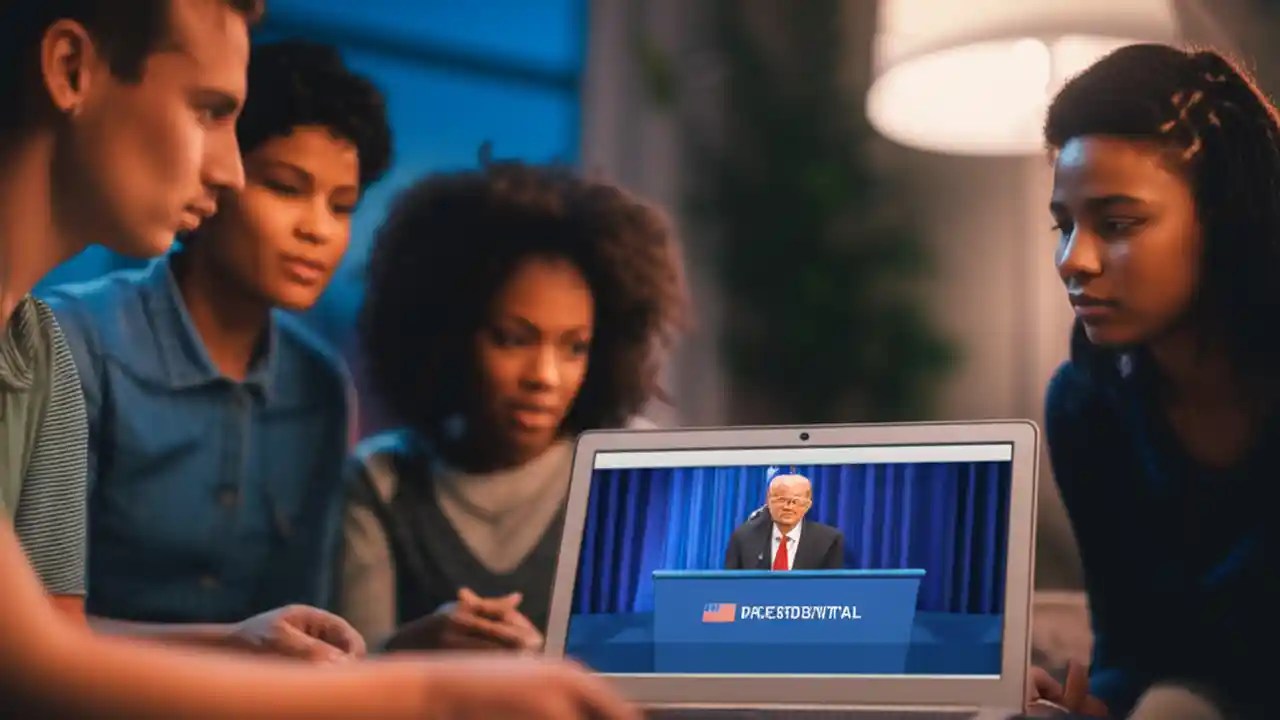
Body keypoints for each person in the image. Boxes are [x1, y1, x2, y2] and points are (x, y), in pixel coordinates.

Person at [0, 1, 637, 717]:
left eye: (343, 204)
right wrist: (437, 692)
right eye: (209, 112)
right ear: (69, 70)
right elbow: (34, 666)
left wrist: (337, 654)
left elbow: (56, 639)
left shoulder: (37, 348)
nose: (227, 170)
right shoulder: (79, 339)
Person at [46, 39, 389, 630]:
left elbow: (305, 622)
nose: (317, 229)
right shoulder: (79, 342)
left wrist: (407, 651)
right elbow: (37, 636)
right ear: (215, 176)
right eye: (285, 188)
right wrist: (234, 644)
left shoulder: (319, 386)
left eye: (342, 205)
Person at [340, 160, 687, 650]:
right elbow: (347, 679)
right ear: (448, 335)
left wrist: (540, 667)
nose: (544, 377)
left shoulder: (630, 466)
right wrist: (413, 648)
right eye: (513, 340)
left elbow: (661, 665)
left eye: (574, 348)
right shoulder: (383, 482)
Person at [1030, 43, 1276, 719]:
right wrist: (1092, 706)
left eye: (1117, 224)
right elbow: (1132, 649)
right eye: (1064, 225)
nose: (1073, 261)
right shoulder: (1085, 405)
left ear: (1224, 219)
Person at [724, 472, 844, 570]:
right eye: (781, 500)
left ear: (807, 505)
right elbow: (730, 587)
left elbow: (832, 590)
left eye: (795, 501)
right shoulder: (744, 537)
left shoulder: (828, 540)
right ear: (768, 501)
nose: (788, 507)